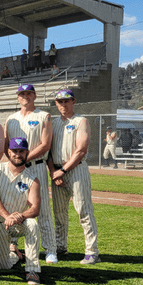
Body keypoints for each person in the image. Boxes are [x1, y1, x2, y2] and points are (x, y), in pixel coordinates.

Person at [4, 83, 58, 264]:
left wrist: (24, 159)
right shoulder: (11, 118)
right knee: (15, 204)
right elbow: (6, 144)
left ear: (34, 96)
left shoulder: (44, 116)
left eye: (29, 93)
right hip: (16, 167)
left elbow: (45, 144)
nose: (25, 96)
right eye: (22, 94)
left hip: (36, 165)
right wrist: (14, 162)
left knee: (42, 208)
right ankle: (13, 245)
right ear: (18, 97)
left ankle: (50, 249)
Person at [48, 90, 100, 265]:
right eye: (60, 102)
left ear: (73, 102)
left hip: (76, 170)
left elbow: (81, 150)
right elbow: (47, 151)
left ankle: (92, 252)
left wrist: (63, 170)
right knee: (59, 213)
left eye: (66, 101)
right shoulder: (53, 123)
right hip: (57, 171)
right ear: (56, 104)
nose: (63, 105)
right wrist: (53, 172)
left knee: (84, 211)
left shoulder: (81, 121)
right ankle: (60, 247)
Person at [0, 137, 43, 285]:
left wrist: (19, 216)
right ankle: (14, 254)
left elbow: (35, 208)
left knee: (32, 224)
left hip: (17, 223)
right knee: (3, 266)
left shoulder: (33, 179)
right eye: (14, 151)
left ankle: (32, 270)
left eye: (21, 151)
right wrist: (7, 216)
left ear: (27, 152)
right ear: (8, 152)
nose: (18, 154)